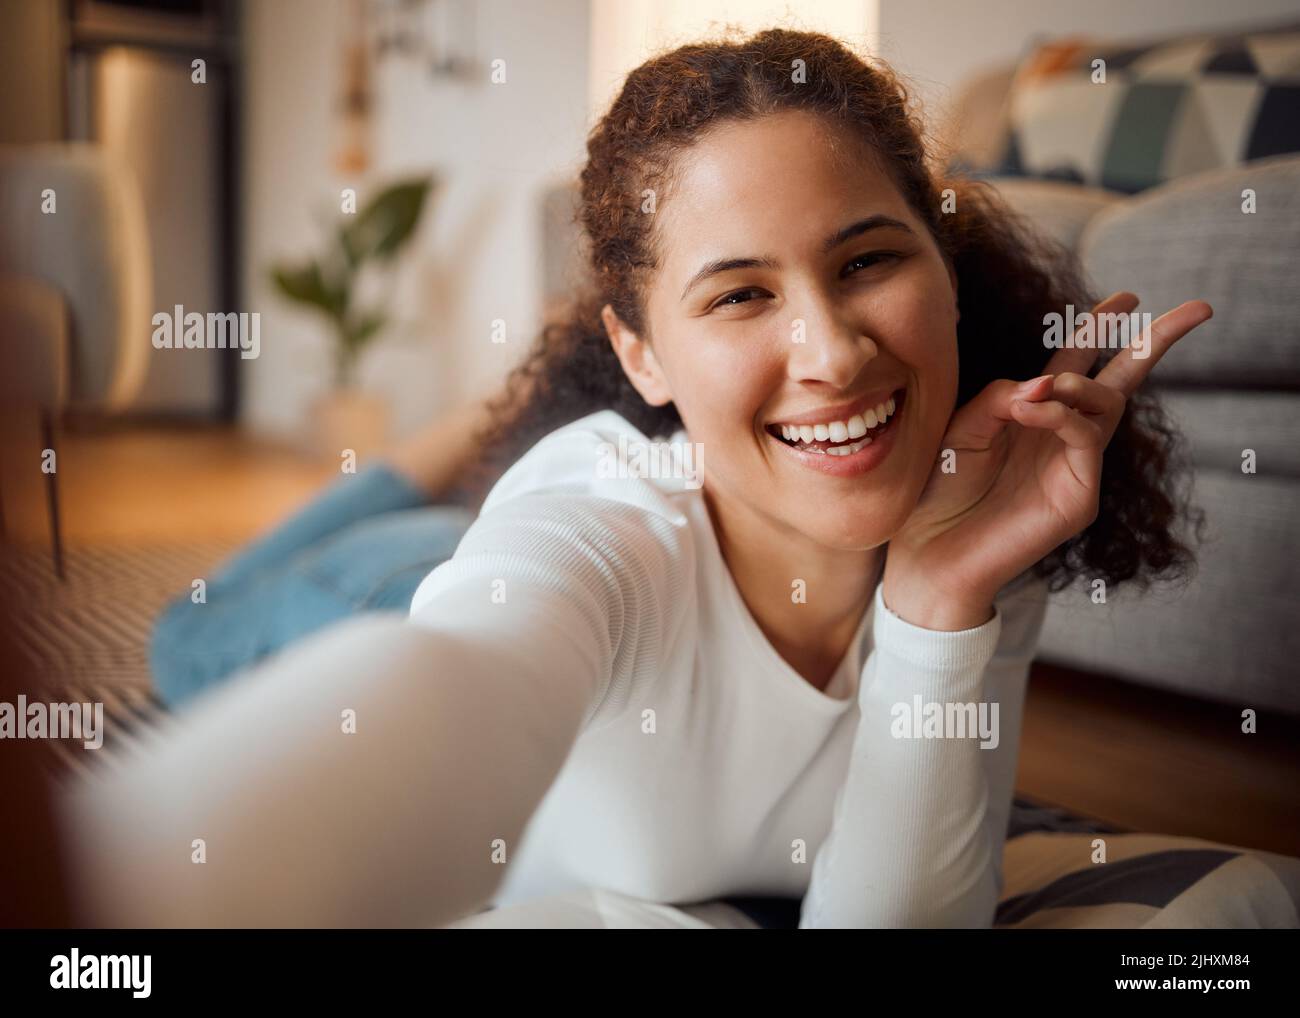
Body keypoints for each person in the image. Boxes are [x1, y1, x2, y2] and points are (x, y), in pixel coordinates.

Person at [60, 28, 1211, 929]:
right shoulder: (591, 537)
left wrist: (939, 600)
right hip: (398, 588)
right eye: (739, 292)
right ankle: (433, 458)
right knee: (192, 634)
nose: (835, 351)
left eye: (866, 260)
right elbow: (460, 677)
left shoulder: (976, 515)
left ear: (944, 274)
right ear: (640, 354)